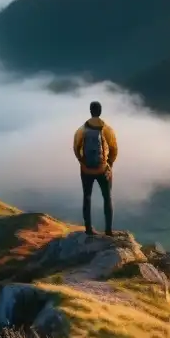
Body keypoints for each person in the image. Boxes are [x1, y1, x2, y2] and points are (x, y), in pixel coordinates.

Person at [73, 100, 118, 236]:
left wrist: (82, 162)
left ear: (90, 111)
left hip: (86, 170)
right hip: (102, 169)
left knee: (87, 197)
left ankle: (88, 229)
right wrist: (109, 164)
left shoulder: (81, 130)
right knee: (107, 197)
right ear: (100, 112)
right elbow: (114, 149)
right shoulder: (107, 129)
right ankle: (108, 230)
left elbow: (76, 148)